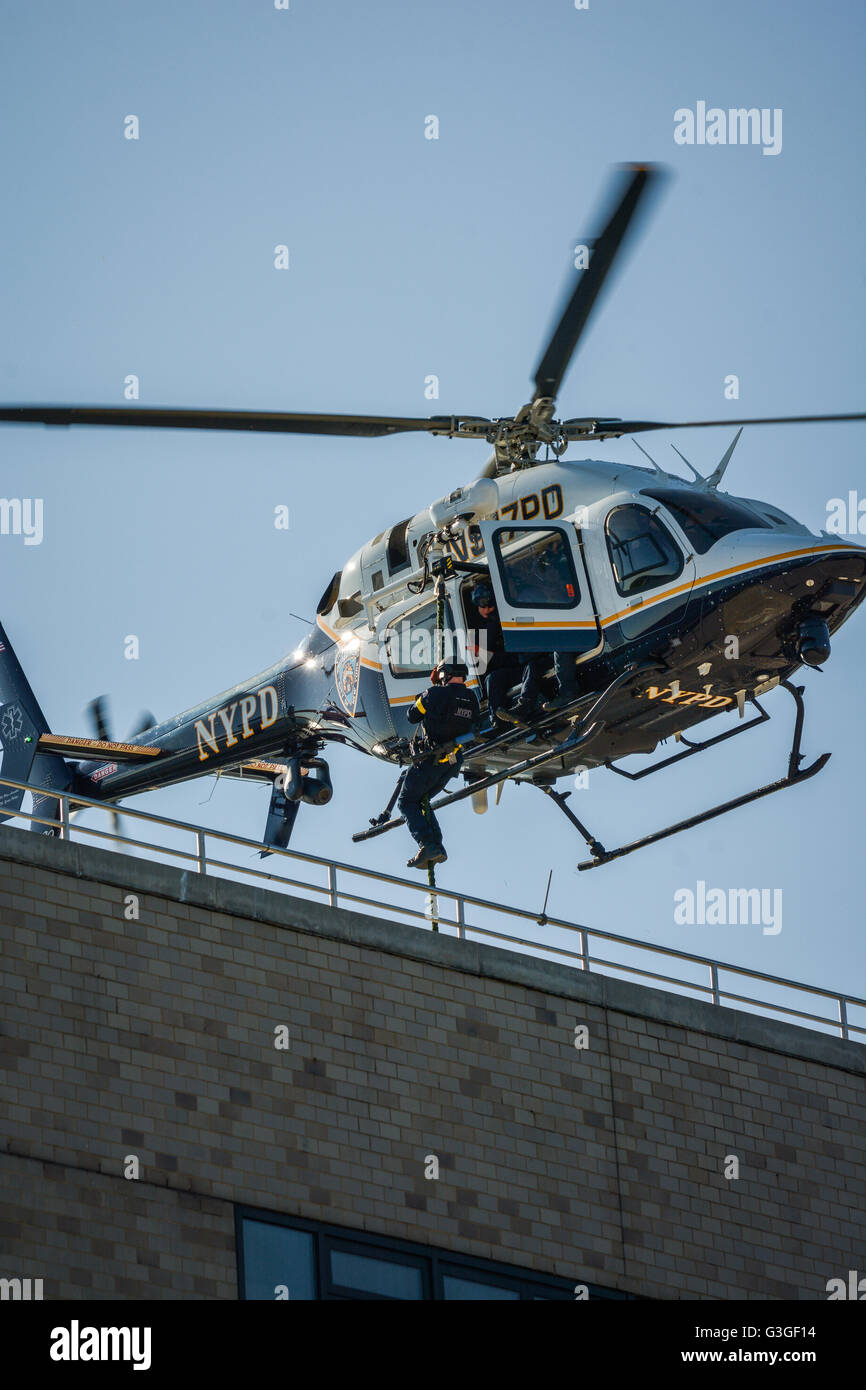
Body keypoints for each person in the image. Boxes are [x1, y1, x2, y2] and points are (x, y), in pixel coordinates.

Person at [398, 661, 480, 869]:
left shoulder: (434, 694)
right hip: (453, 762)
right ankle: (436, 847)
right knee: (420, 800)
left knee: (407, 802)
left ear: (444, 674)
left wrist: (429, 693)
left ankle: (427, 844)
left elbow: (411, 716)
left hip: (431, 760)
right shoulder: (472, 698)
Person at [469, 582, 521, 733]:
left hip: (517, 667)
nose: (486, 609)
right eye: (482, 606)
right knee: (491, 679)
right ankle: (496, 720)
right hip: (496, 675)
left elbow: (514, 656)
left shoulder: (504, 620)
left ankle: (498, 721)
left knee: (493, 679)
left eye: (489, 606)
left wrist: (486, 655)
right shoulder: (477, 627)